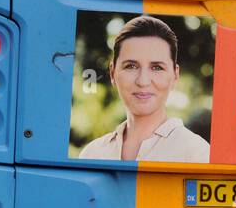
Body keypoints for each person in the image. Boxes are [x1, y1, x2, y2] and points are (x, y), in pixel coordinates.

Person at [78, 15, 210, 163]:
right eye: (131, 66)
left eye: (157, 67)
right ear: (113, 73)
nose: (143, 81)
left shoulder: (197, 154)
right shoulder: (92, 154)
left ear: (175, 75)